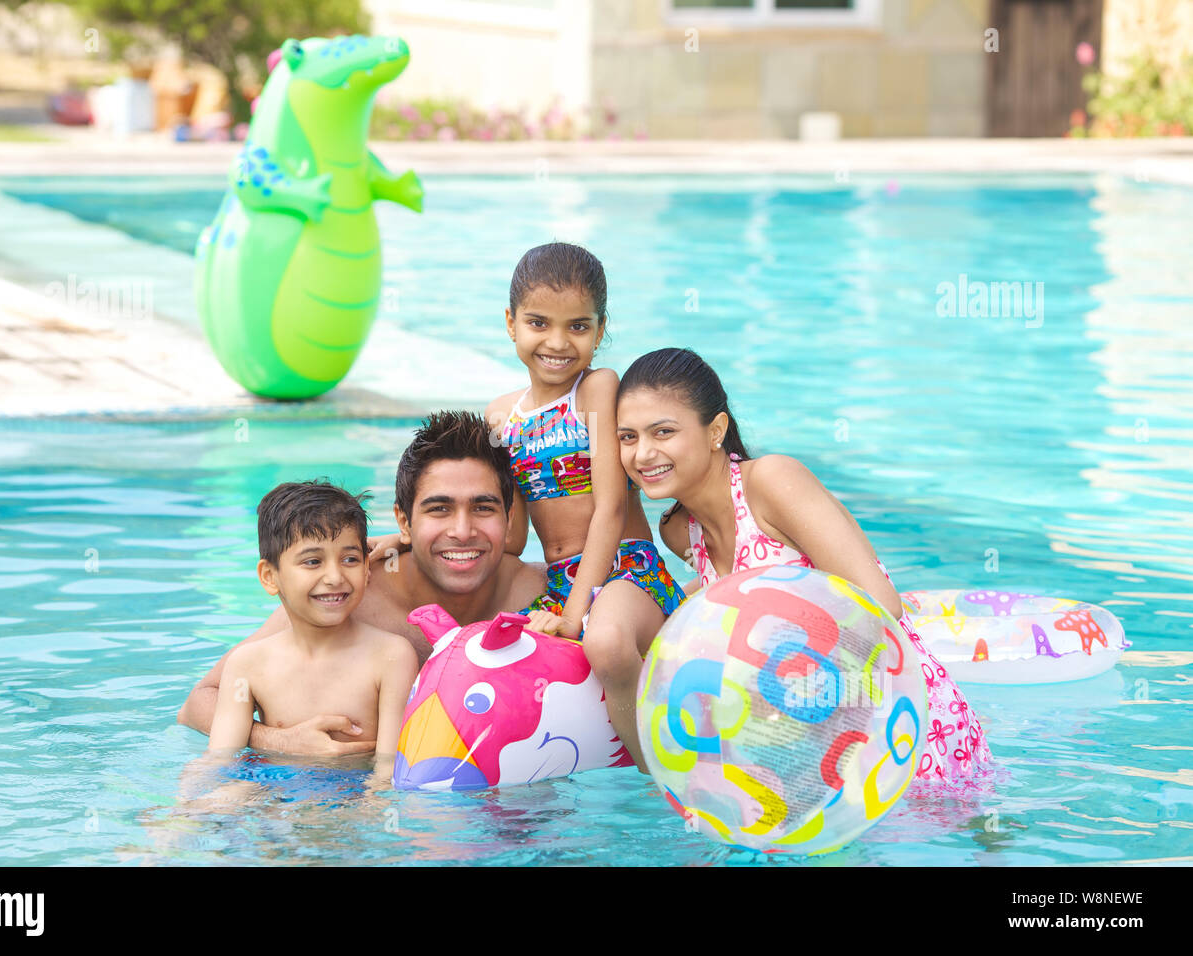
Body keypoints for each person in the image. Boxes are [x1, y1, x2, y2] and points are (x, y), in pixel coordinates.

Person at [615, 347, 993, 785]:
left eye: (663, 432)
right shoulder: (681, 530)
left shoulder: (772, 482)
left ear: (716, 429)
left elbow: (882, 605)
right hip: (815, 743)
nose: (643, 454)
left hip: (903, 724)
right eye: (628, 437)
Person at [176, 411, 547, 756]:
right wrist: (282, 740)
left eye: (483, 508)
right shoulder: (351, 594)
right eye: (439, 509)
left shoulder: (544, 598)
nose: (463, 532)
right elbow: (199, 703)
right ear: (404, 522)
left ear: (510, 518)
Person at [486, 242, 684, 773]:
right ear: (510, 323)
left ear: (600, 330)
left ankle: (659, 779)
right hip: (560, 580)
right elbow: (510, 535)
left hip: (624, 567)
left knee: (609, 642)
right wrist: (409, 543)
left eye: (578, 326)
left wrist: (576, 613)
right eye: (537, 322)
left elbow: (611, 508)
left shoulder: (596, 388)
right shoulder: (502, 416)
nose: (557, 342)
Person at [207, 480, 418, 783]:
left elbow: (389, 768)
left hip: (357, 804)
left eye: (350, 559)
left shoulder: (391, 656)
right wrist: (188, 809)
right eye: (313, 561)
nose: (334, 577)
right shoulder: (248, 664)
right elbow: (220, 762)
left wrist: (372, 816)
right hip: (276, 798)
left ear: (367, 569)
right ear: (270, 577)